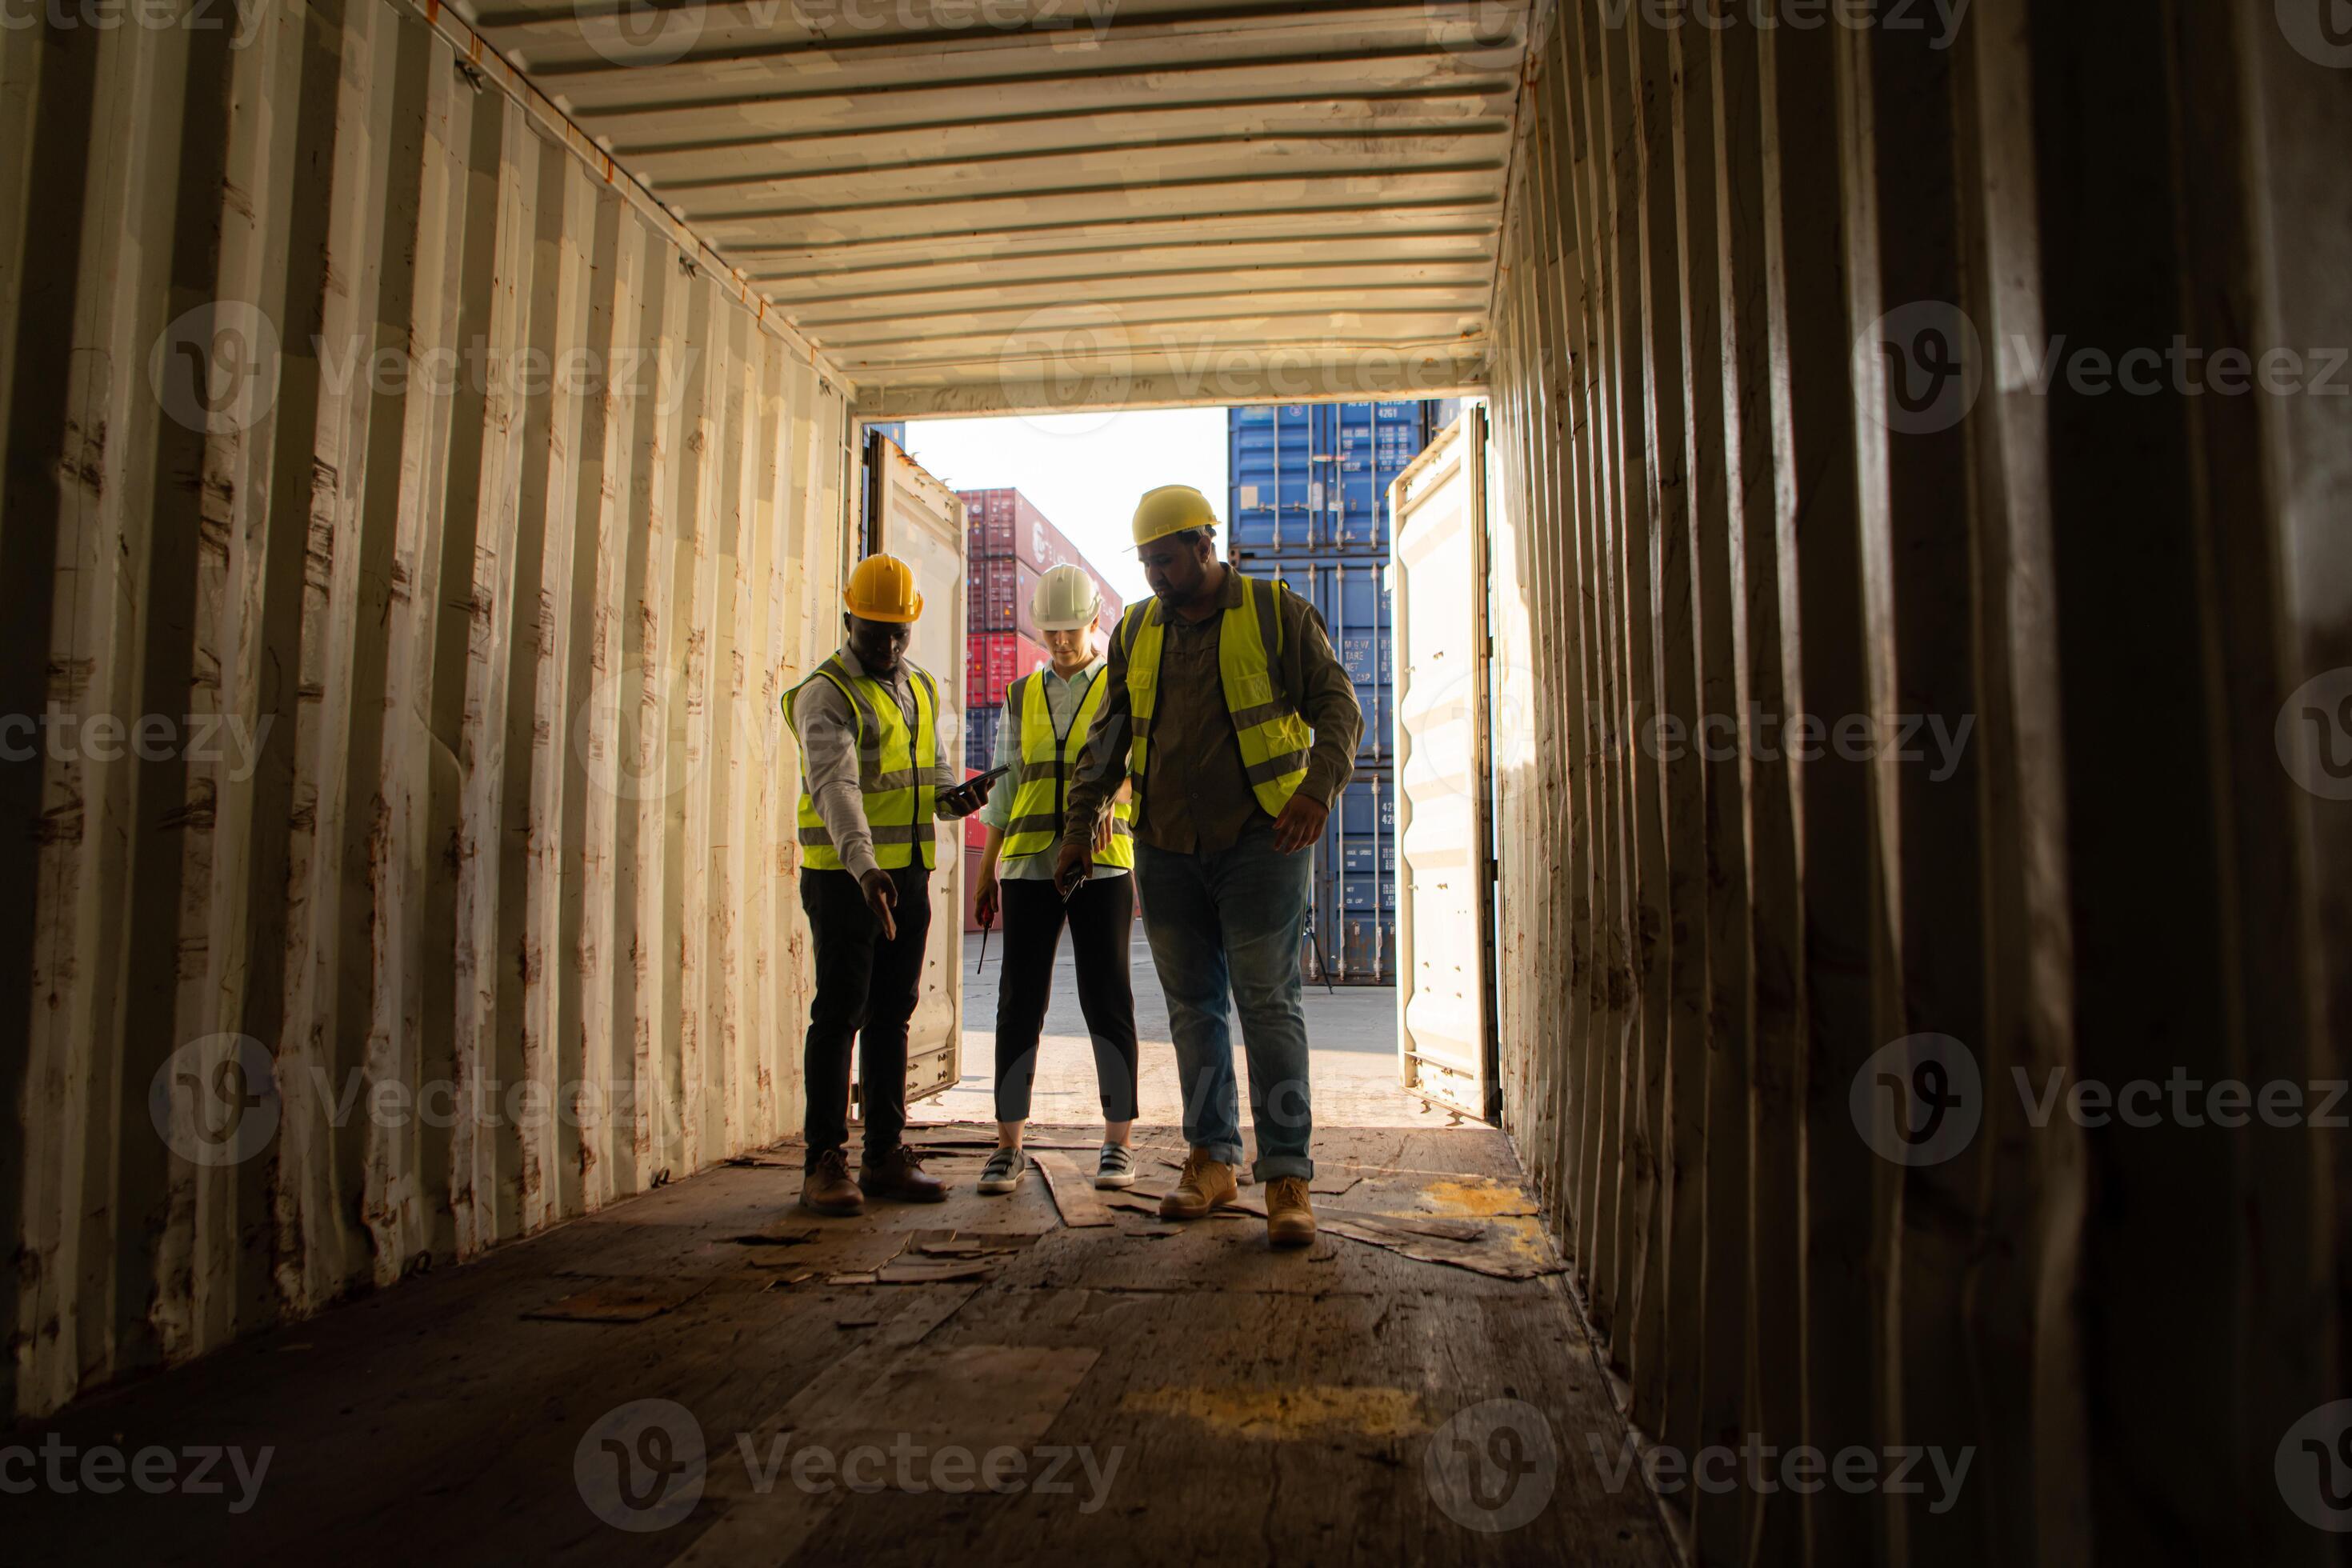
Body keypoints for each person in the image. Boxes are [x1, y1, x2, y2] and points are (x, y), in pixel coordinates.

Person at [1055, 486, 1362, 1248]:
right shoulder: (1136, 630)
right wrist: (1081, 819)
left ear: (1204, 544)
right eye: (1147, 562)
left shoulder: (1273, 611)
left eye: (1168, 558)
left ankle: (1287, 1174)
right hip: (1164, 846)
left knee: (1268, 1005)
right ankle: (1211, 1160)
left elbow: (1340, 708)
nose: (1157, 574)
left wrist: (1317, 793)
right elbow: (1109, 736)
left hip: (1262, 842)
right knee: (1193, 1010)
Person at [787, 554, 993, 1218]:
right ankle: (824, 1161)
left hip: (905, 875)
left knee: (892, 1012)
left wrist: (957, 800)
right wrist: (865, 867)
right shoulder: (828, 693)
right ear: (848, 618)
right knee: (839, 1011)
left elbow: (927, 783)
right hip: (847, 877)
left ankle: (883, 1154)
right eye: (874, 630)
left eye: (898, 631)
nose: (887, 643)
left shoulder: (921, 688)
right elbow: (836, 787)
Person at [971, 565, 1142, 1197]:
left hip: (1104, 863)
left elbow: (1141, 773)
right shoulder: (1020, 697)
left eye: (1071, 630)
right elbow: (1005, 789)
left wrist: (1108, 798)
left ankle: (1118, 1143)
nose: (1062, 642)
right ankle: (1007, 1145)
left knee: (1108, 998)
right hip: (1026, 865)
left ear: (1094, 623)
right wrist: (987, 872)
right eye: (1051, 632)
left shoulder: (1118, 690)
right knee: (1019, 1003)